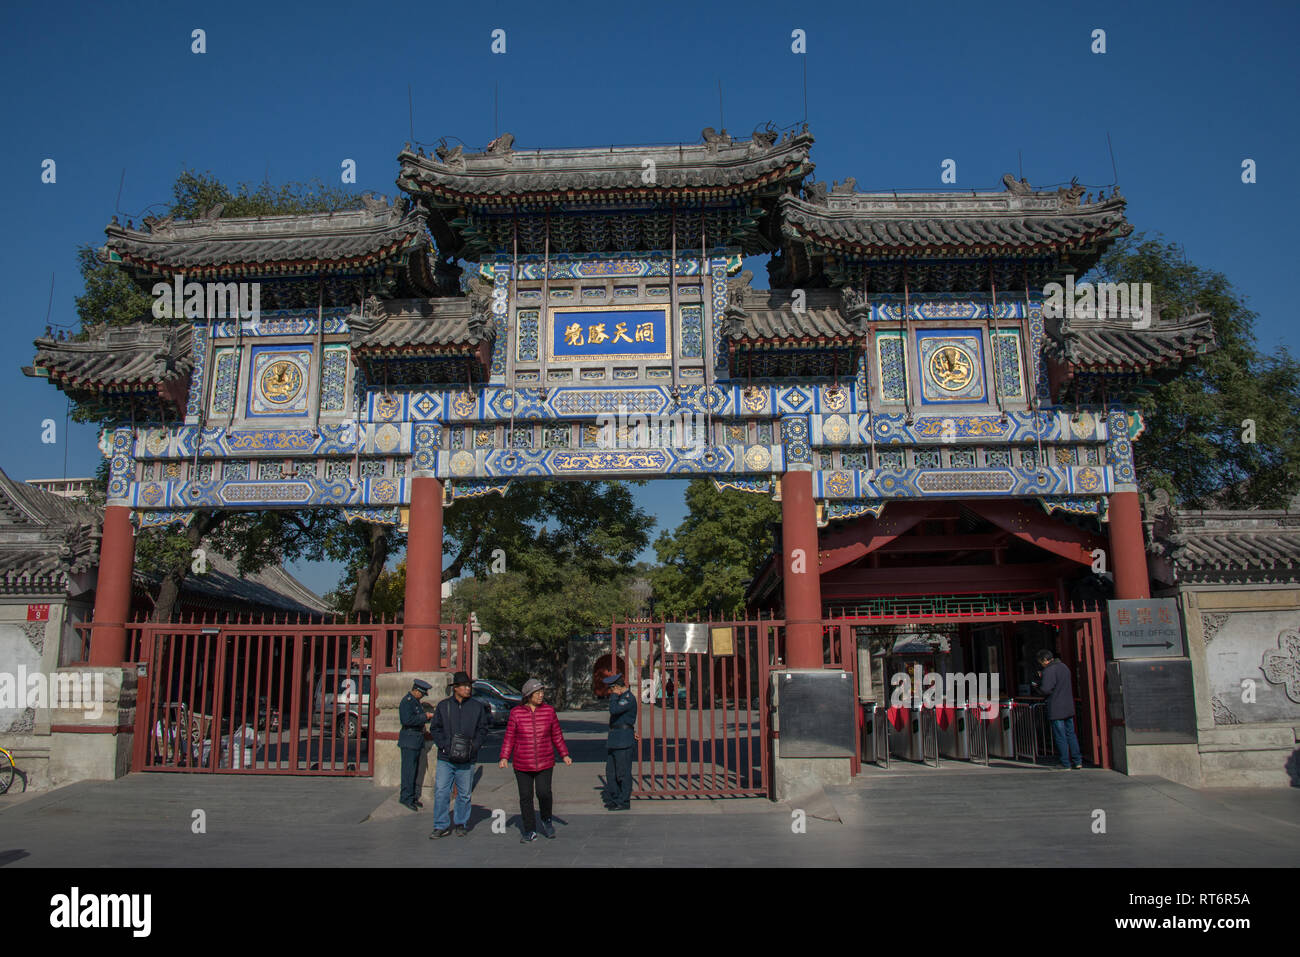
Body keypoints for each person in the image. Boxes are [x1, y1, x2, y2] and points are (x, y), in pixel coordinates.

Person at [498, 678, 571, 842]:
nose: (541, 695)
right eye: (537, 693)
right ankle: (529, 829)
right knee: (525, 796)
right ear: (528, 695)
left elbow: (557, 735)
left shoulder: (549, 711)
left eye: (542, 692)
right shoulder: (516, 713)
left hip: (545, 761)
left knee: (544, 793)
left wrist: (564, 754)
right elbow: (509, 737)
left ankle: (546, 819)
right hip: (522, 762)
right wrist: (504, 757)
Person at [428, 671, 490, 839]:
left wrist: (474, 746)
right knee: (441, 791)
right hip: (446, 758)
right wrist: (444, 746)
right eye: (464, 686)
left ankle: (461, 823)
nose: (467, 689)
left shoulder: (477, 707)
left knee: (464, 793)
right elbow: (435, 728)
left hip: (468, 758)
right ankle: (440, 824)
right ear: (455, 688)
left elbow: (483, 729)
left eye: (469, 686)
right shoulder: (443, 706)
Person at [1035, 649, 1083, 770]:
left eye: (1041, 662)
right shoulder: (1064, 667)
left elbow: (1046, 689)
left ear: (1045, 660)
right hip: (1068, 705)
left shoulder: (1049, 670)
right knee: (1071, 734)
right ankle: (1077, 761)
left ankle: (1065, 763)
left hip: (1056, 707)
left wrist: (1037, 685)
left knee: (1060, 735)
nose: (1041, 664)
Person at [600, 673, 637, 810]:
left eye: (611, 689)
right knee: (611, 772)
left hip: (623, 740)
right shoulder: (620, 698)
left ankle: (623, 800)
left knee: (623, 772)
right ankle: (615, 798)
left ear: (616, 687)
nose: (610, 693)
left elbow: (614, 710)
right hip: (614, 739)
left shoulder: (628, 698)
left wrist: (615, 696)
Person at [397, 678, 434, 810]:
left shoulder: (415, 702)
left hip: (416, 740)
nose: (423, 696)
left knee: (415, 771)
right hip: (409, 739)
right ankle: (406, 797)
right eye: (422, 693)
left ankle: (412, 796)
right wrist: (425, 717)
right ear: (417, 690)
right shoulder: (407, 702)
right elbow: (407, 720)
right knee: (408, 771)